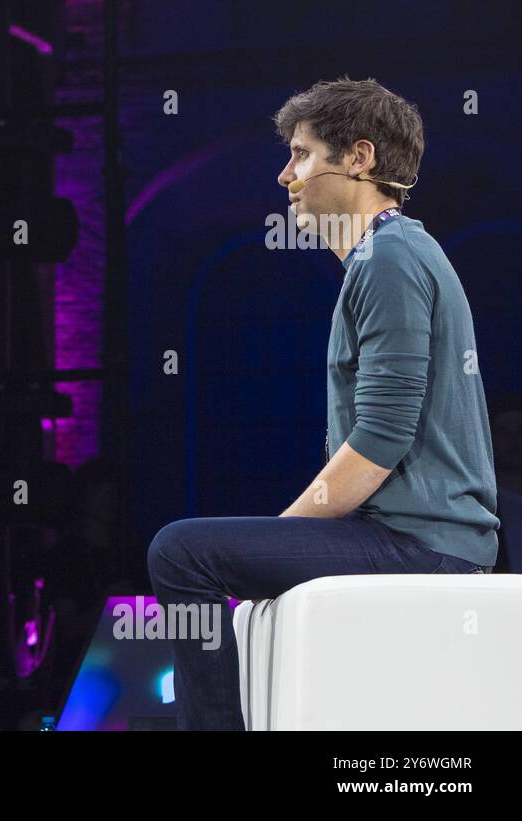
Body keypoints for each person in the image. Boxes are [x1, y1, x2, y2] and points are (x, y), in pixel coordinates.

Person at [148, 78, 499, 730]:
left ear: (359, 157)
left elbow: (382, 440)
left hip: (421, 544)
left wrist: (285, 533)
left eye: (301, 155)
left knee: (180, 552)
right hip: (416, 536)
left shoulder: (390, 257)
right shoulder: (386, 256)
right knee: (199, 553)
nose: (285, 176)